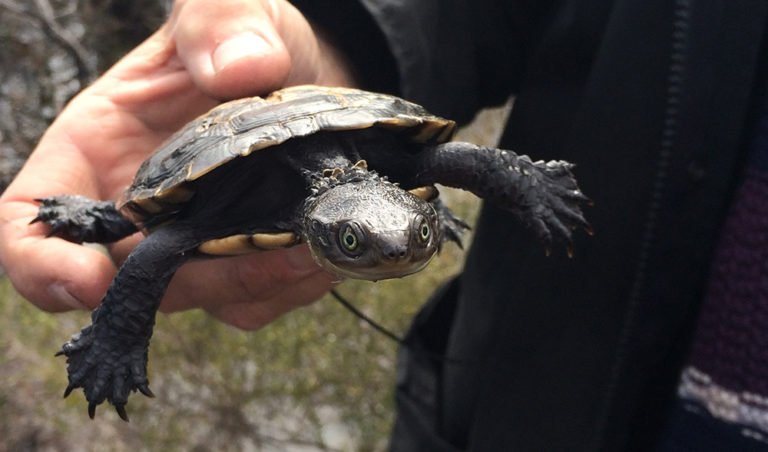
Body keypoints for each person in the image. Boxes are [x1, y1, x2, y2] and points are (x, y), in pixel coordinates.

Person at [0, 0, 766, 450]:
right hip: (526, 414)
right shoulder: (241, 196)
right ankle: (87, 220)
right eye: (364, 246)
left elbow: (454, 163)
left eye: (416, 236)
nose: (396, 251)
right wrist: (342, 29)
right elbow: (163, 237)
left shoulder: (394, 169)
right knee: (128, 227)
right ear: (333, 227)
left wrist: (521, 186)